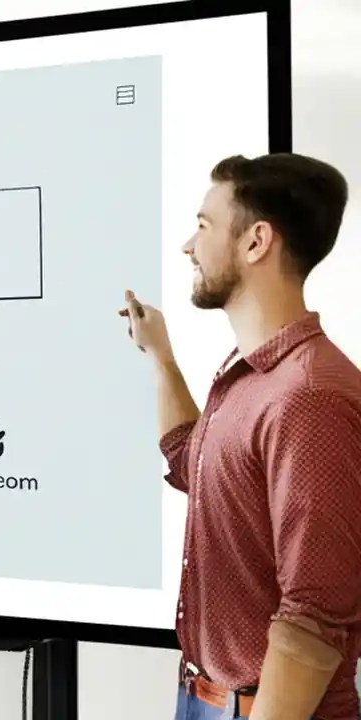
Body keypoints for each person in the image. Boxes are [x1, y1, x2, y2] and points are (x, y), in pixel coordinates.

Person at [119, 153, 361, 720]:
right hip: (208, 700)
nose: (188, 245)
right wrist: (162, 360)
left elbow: (315, 618)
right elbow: (193, 465)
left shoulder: (308, 397)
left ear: (256, 242)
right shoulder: (250, 376)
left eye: (203, 226)